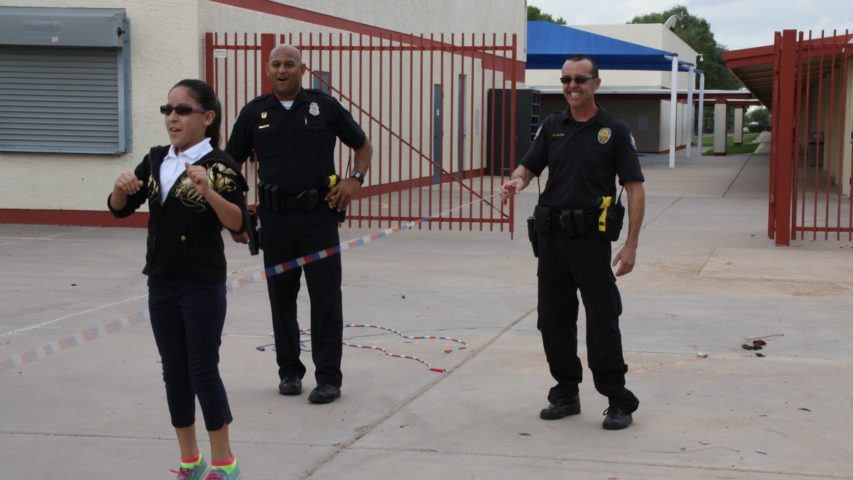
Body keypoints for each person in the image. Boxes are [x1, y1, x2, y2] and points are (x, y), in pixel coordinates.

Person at [109, 79, 247, 479]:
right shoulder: (155, 160)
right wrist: (120, 190)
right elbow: (121, 208)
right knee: (174, 370)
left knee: (203, 367)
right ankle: (190, 459)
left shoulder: (219, 165)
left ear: (207, 117)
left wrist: (209, 192)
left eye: (182, 110)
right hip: (162, 281)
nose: (172, 118)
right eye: (167, 110)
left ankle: (225, 462)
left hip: (202, 283)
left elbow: (240, 222)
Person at [502, 55, 645, 430]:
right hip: (551, 240)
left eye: (580, 80)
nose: (571, 86)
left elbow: (634, 187)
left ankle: (618, 400)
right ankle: (566, 391)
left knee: (602, 320)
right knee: (553, 319)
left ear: (596, 84)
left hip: (591, 241)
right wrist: (517, 180)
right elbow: (529, 166)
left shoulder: (613, 130)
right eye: (566, 80)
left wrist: (631, 244)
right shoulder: (552, 126)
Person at [226, 44, 372, 404]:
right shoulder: (254, 113)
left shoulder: (325, 107)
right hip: (275, 222)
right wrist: (235, 212)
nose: (282, 70)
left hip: (318, 218)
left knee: (325, 298)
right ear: (267, 69)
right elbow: (229, 165)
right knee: (282, 298)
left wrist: (354, 180)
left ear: (302, 69)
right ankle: (289, 372)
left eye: (289, 64)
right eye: (275, 64)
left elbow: (362, 145)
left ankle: (328, 379)